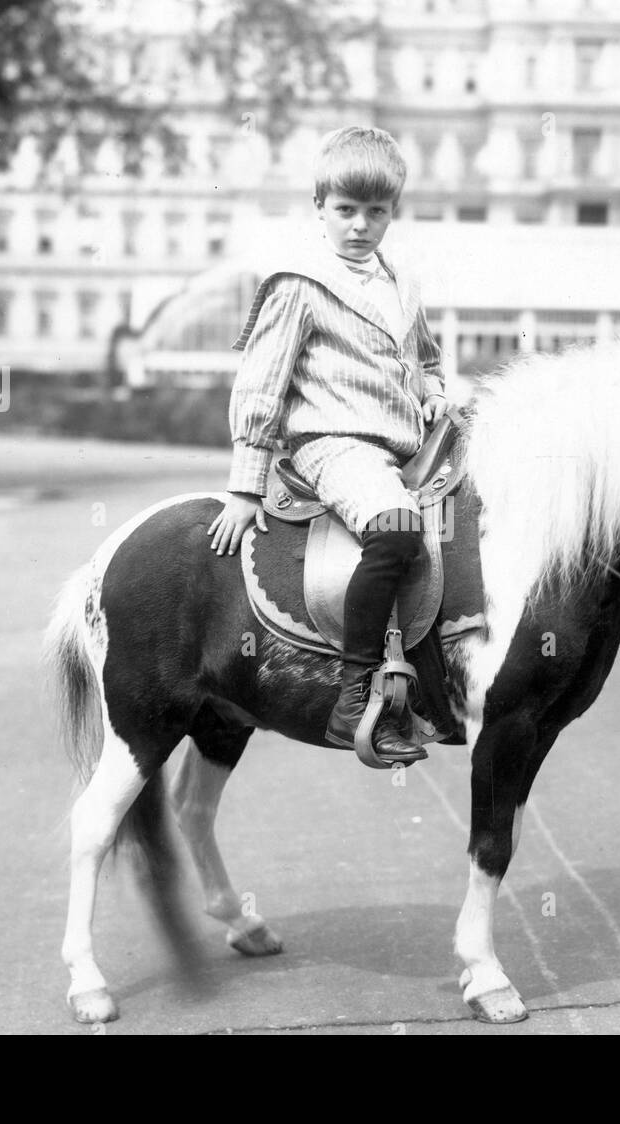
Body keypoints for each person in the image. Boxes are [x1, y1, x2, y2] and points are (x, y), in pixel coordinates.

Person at [206, 125, 448, 765]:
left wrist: (432, 393)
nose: (360, 226)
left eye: (376, 212)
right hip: (334, 443)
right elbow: (260, 385)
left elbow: (427, 358)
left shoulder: (402, 281)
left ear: (393, 213)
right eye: (345, 211)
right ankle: (353, 696)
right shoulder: (298, 282)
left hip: (407, 445)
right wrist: (243, 485)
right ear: (320, 208)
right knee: (396, 529)